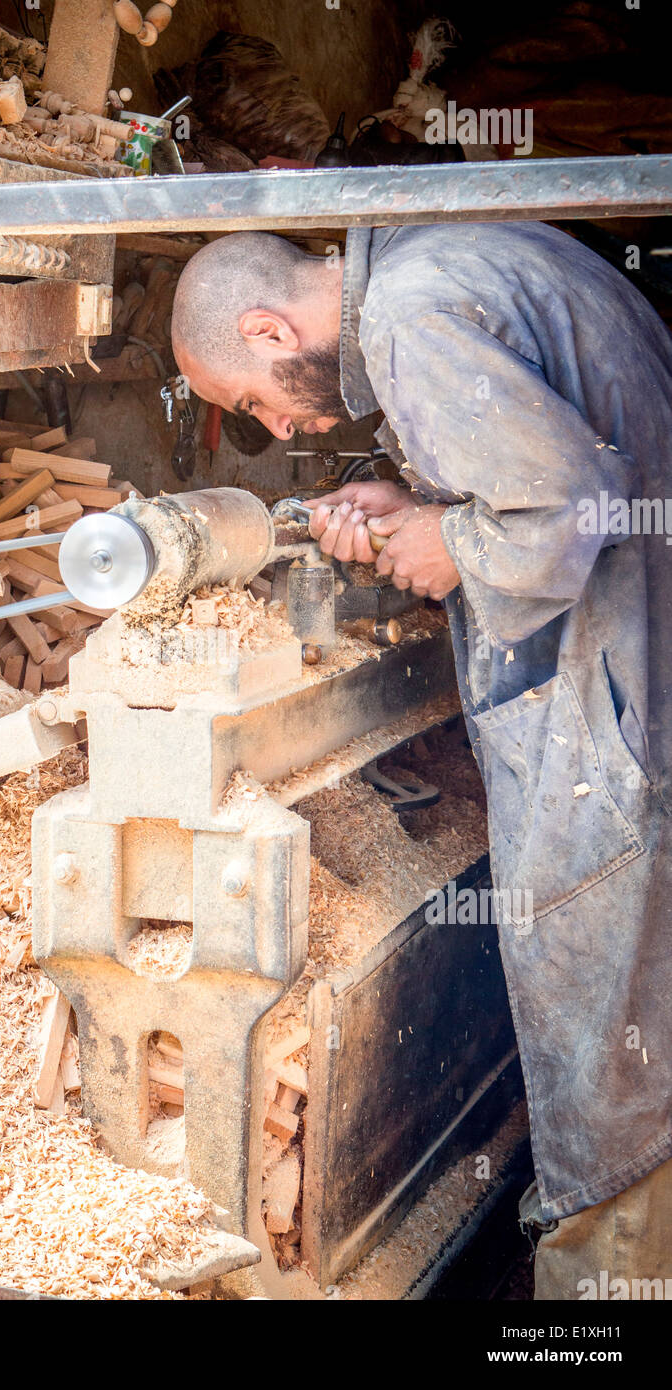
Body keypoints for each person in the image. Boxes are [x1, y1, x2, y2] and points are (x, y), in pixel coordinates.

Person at [171, 221, 672, 1299]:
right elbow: (551, 457)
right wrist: (433, 511)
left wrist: (457, 546)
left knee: (616, 1071)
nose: (282, 420)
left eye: (258, 397)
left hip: (617, 709)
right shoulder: (447, 264)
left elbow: (571, 501)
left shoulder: (408, 316)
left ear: (268, 326)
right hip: (634, 667)